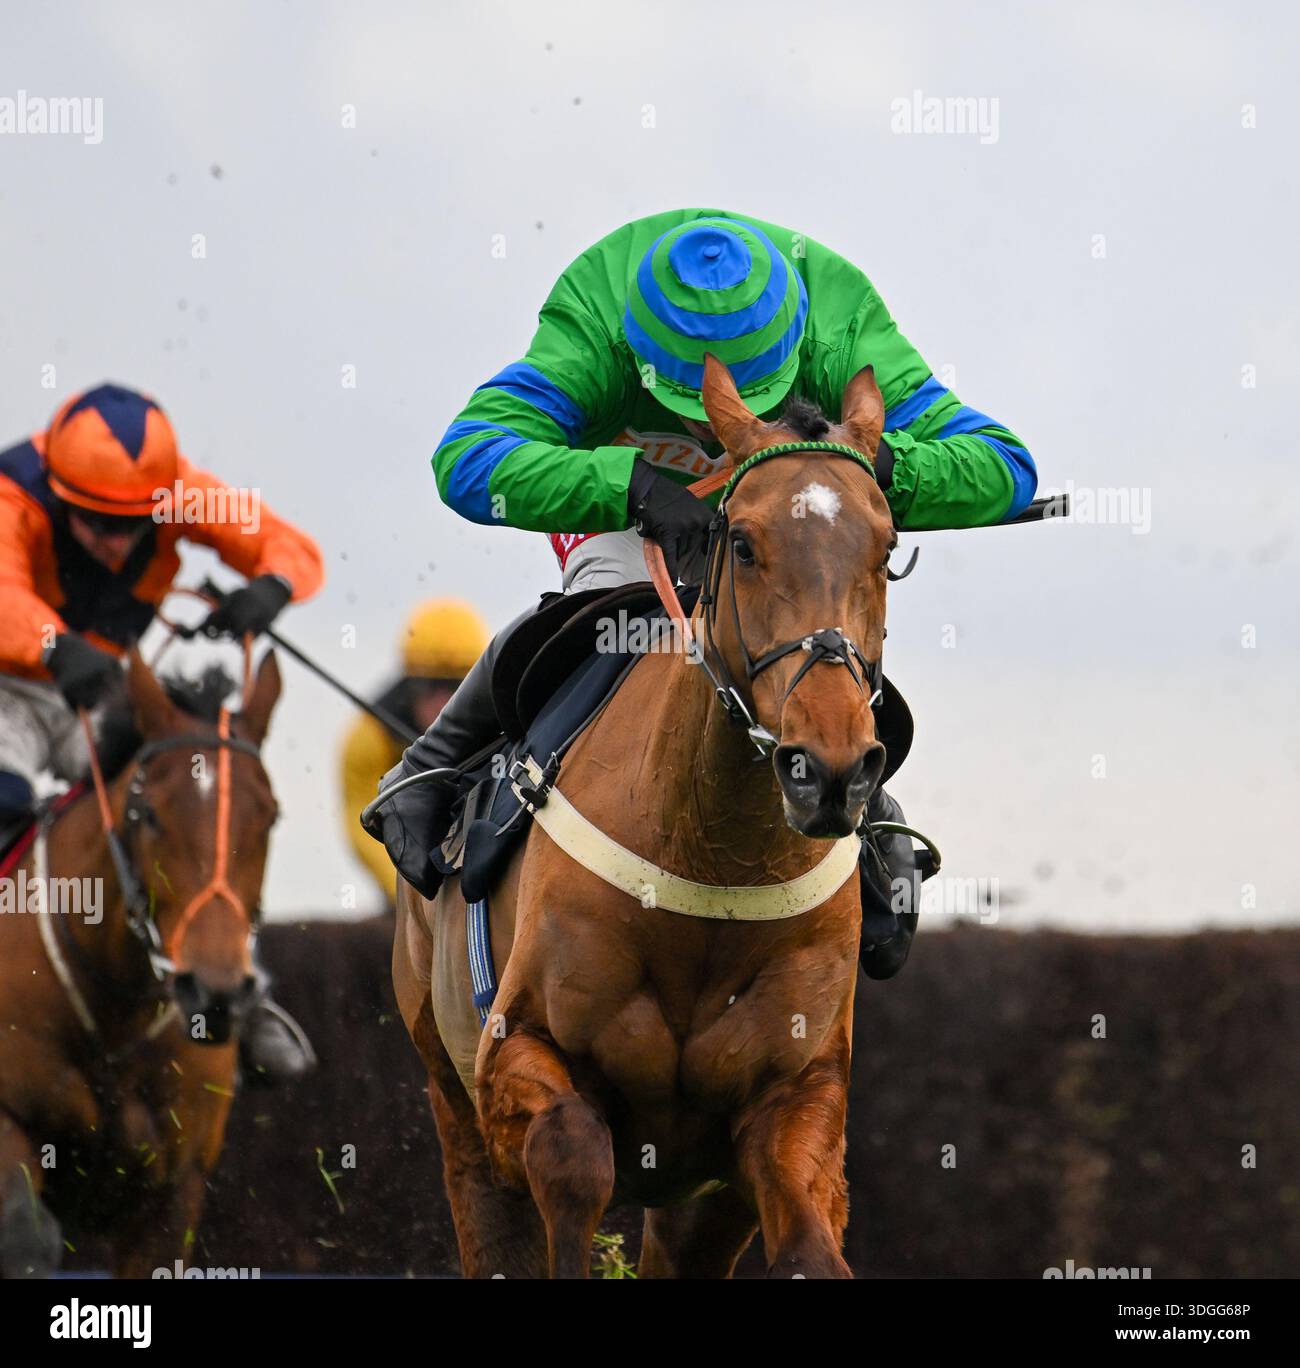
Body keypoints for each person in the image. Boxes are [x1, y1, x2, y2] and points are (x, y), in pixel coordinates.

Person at [369, 209, 1036, 979]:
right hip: (634, 516)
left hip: (787, 520)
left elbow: (1003, 465)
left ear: (792, 345)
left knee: (812, 621)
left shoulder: (842, 320)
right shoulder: (596, 316)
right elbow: (468, 459)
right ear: (639, 355)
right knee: (615, 613)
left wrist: (866, 466)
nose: (716, 427)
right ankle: (430, 766)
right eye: (694, 404)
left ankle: (871, 807)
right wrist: (632, 486)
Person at [0, 382, 324, 1078]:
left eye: (133, 525)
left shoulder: (183, 492)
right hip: (10, 693)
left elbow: (288, 545)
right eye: (94, 522)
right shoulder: (13, 492)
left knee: (189, 799)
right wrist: (55, 647)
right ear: (59, 497)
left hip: (101, 692)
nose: (116, 543)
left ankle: (235, 994)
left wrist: (266, 589)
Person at [340, 599, 489, 904]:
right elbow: (362, 827)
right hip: (412, 895)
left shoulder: (504, 726)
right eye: (429, 687)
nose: (442, 703)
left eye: (457, 688)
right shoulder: (368, 738)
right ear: (409, 686)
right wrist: (414, 895)